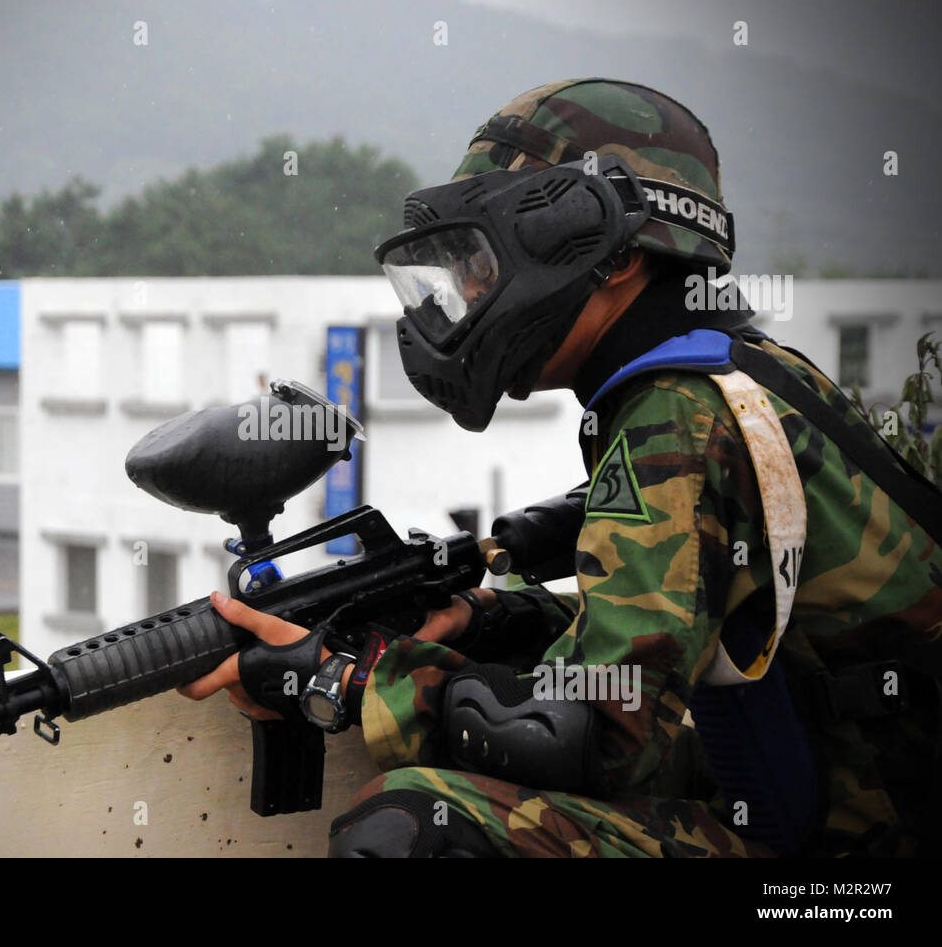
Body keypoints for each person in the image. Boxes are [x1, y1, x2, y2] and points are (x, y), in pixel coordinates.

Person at [178, 78, 942, 858]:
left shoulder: (680, 409)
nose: (469, 291)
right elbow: (680, 632)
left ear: (606, 250)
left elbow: (594, 731)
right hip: (816, 798)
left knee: (416, 830)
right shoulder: (742, 375)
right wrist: (495, 620)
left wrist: (348, 680)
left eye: (482, 258)